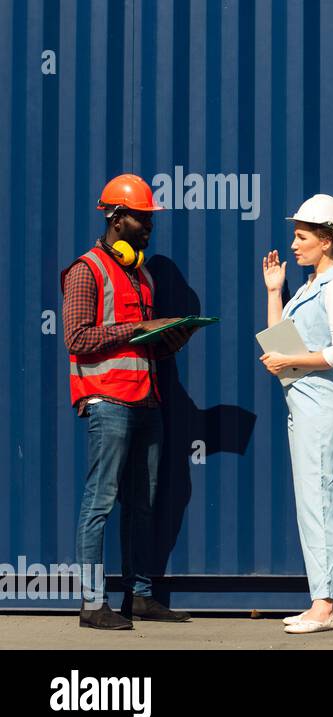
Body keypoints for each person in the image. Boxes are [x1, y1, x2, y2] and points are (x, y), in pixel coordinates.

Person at [62, 173, 197, 629]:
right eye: (141, 218)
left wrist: (168, 337)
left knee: (143, 502)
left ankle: (138, 596)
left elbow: (139, 345)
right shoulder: (86, 270)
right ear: (116, 218)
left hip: (146, 400)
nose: (149, 226)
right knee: (100, 501)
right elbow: (77, 337)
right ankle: (91, 604)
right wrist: (137, 329)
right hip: (107, 402)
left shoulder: (141, 275)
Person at [260, 194, 333, 634]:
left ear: (327, 241)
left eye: (301, 237)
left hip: (321, 404)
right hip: (305, 402)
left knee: (318, 504)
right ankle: (332, 598)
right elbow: (282, 341)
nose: (293, 245)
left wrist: (291, 363)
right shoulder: (308, 285)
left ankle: (322, 607)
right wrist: (275, 292)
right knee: (316, 503)